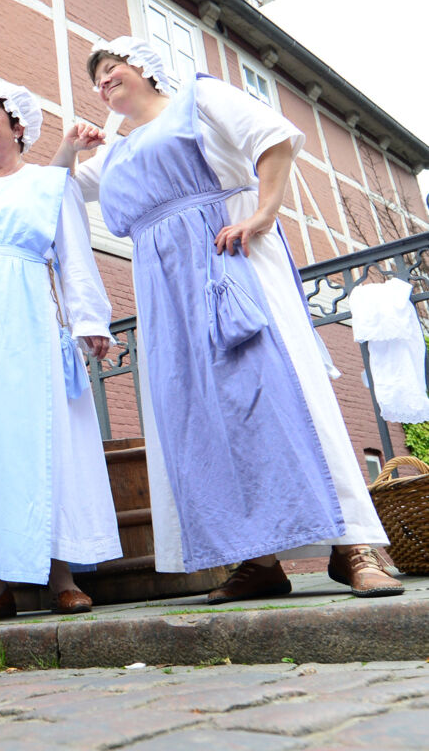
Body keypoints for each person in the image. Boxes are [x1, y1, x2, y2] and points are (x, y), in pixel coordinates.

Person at [54, 35, 401, 602]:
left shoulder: (199, 98)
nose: (103, 81)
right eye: (96, 77)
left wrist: (263, 213)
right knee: (202, 417)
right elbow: (53, 191)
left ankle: (355, 546)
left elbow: (273, 138)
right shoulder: (113, 154)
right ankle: (256, 559)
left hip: (227, 263)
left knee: (283, 394)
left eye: (112, 67)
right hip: (165, 291)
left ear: (146, 68)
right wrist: (69, 148)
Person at [0, 81, 122, 619]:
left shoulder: (50, 184)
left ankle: (61, 572)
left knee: (47, 437)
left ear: (17, 125)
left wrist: (89, 320)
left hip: (32, 320)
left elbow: (73, 255)